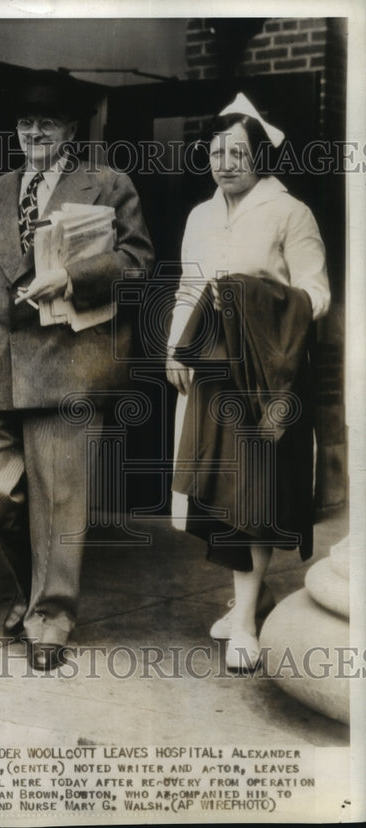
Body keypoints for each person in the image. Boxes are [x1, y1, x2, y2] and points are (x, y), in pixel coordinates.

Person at [0, 69, 154, 671]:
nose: (34, 132)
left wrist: (75, 276)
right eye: (26, 122)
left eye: (48, 123)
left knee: (60, 501)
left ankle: (51, 617)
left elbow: (138, 262)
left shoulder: (108, 184)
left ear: (70, 130)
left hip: (68, 364)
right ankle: (30, 591)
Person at [166, 93, 330, 671]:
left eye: (237, 151)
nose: (225, 161)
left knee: (257, 495)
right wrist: (175, 350)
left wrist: (250, 299)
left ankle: (242, 622)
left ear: (260, 157)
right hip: (213, 371)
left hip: (267, 377)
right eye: (216, 151)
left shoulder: (291, 213)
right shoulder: (200, 216)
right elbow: (190, 285)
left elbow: (317, 295)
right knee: (221, 494)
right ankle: (248, 600)